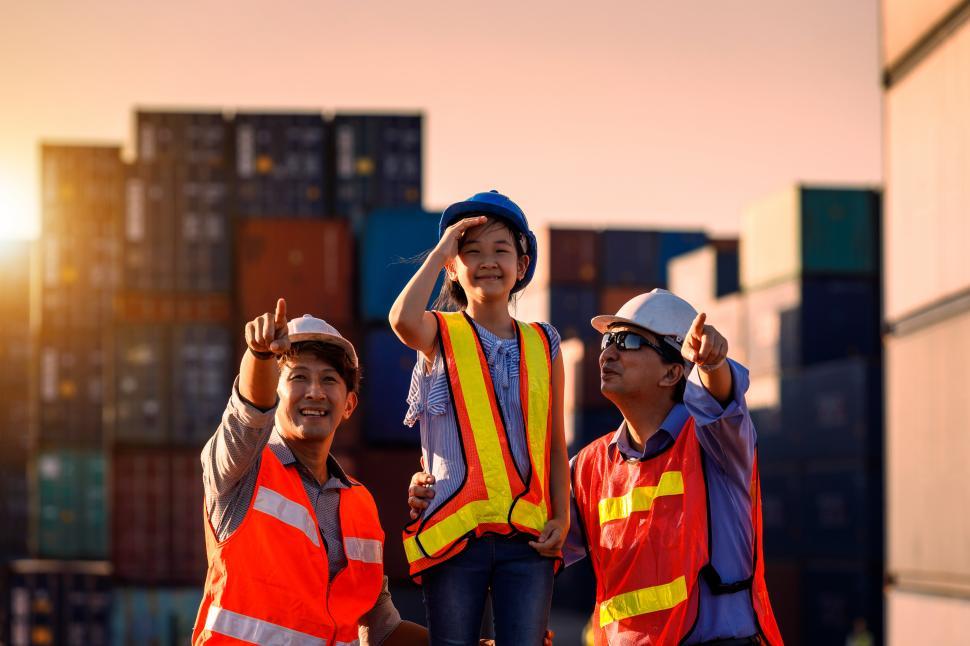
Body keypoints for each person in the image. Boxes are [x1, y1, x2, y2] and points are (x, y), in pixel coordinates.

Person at [410, 289, 785, 645]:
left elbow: (721, 398)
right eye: (609, 342)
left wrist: (713, 363)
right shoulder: (588, 468)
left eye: (631, 342)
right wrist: (443, 491)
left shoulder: (715, 443)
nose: (608, 354)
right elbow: (516, 536)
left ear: (673, 373)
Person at [388, 190, 570, 645]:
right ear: (453, 266)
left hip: (527, 540)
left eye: (501, 250)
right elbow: (401, 319)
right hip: (455, 536)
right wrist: (439, 251)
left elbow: (554, 441)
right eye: (472, 252)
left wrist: (562, 517)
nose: (488, 261)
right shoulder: (438, 331)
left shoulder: (544, 343)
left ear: (522, 266)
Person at [192, 298, 427, 645]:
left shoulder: (360, 505)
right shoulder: (241, 471)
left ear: (348, 405)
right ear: (275, 390)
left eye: (329, 380)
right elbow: (248, 414)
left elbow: (381, 630)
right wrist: (259, 355)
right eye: (299, 377)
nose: (315, 392)